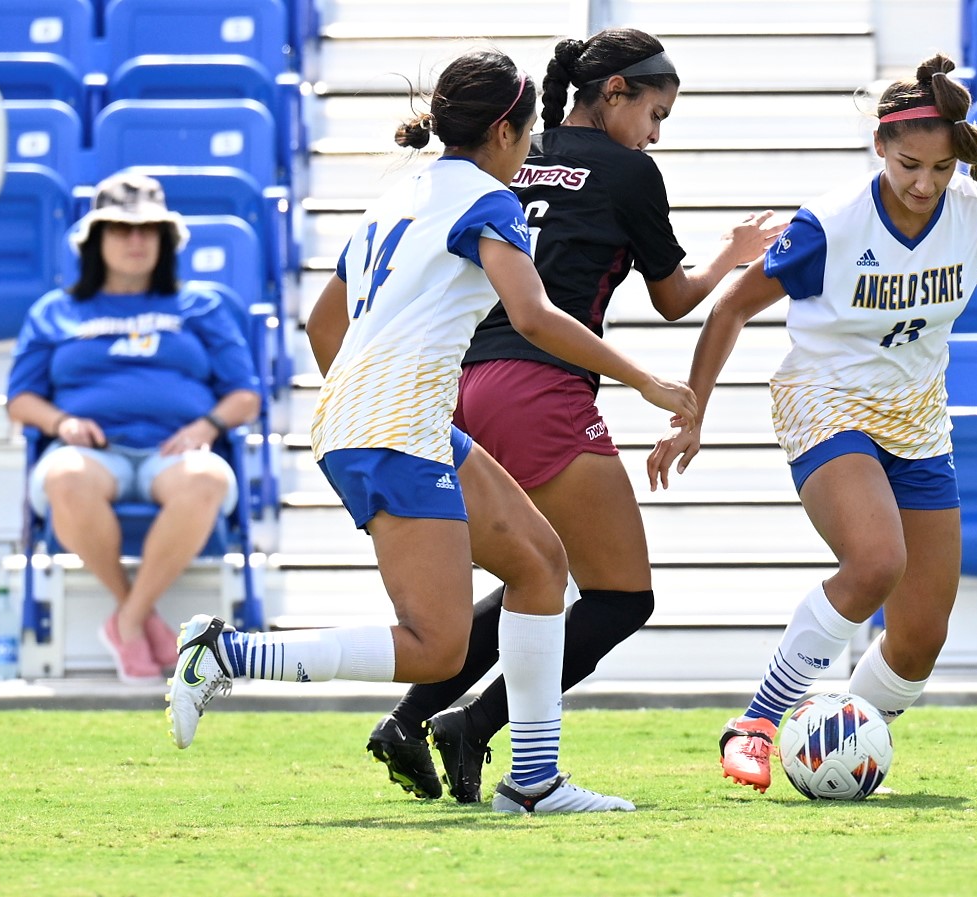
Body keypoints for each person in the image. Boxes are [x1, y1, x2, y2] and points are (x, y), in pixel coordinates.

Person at [164, 48, 698, 814]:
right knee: (437, 643)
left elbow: (322, 324)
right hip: (396, 426)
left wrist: (367, 399)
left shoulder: (398, 195)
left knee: (542, 564)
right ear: (509, 133)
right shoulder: (489, 201)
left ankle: (535, 780)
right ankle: (227, 652)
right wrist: (644, 379)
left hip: (397, 417)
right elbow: (536, 316)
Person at [646, 54, 977, 793]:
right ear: (880, 147)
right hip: (825, 397)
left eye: (942, 168)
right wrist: (694, 412)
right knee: (876, 561)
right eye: (910, 164)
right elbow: (729, 307)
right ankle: (757, 721)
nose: (925, 184)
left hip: (917, 416)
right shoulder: (832, 222)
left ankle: (834, 740)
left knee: (920, 637)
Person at [363, 27, 783, 804]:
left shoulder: (510, 156)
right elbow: (672, 299)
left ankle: (413, 719)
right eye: (655, 113)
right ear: (615, 92)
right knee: (621, 595)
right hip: (539, 386)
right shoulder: (629, 172)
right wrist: (732, 252)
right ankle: (474, 728)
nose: (655, 133)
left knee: (535, 573)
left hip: (459, 385)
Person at [5, 171, 261, 685]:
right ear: (95, 239)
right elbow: (21, 399)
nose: (137, 240)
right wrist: (62, 421)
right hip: (93, 454)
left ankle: (125, 620)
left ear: (167, 241)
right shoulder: (55, 311)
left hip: (174, 450)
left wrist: (208, 424)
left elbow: (245, 394)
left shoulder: (201, 306)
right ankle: (138, 617)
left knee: (207, 480)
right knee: (65, 478)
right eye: (121, 228)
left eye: (150, 230)